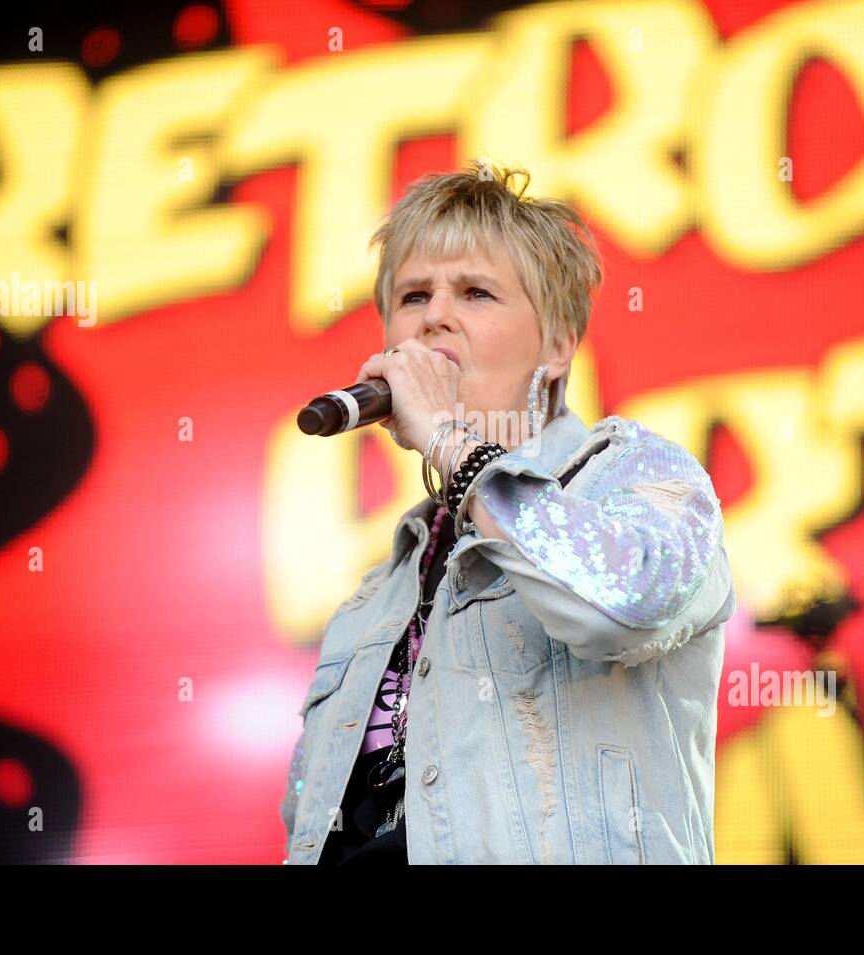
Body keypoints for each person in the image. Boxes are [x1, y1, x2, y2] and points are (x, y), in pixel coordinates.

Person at [281, 159, 736, 864]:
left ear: (556, 346)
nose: (435, 316)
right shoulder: (375, 597)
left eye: (475, 292)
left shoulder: (632, 478)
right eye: (413, 296)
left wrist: (452, 445)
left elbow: (623, 606)